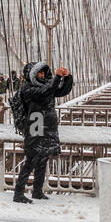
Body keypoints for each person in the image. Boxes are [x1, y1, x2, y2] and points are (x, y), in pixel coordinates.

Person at [13, 61, 73, 204]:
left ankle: (37, 191)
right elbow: (46, 91)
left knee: (43, 158)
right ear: (31, 74)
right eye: (39, 73)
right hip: (36, 124)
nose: (42, 75)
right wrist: (57, 78)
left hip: (47, 126)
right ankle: (18, 193)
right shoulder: (28, 88)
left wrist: (67, 77)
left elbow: (62, 91)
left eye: (44, 72)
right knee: (32, 159)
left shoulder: (45, 85)